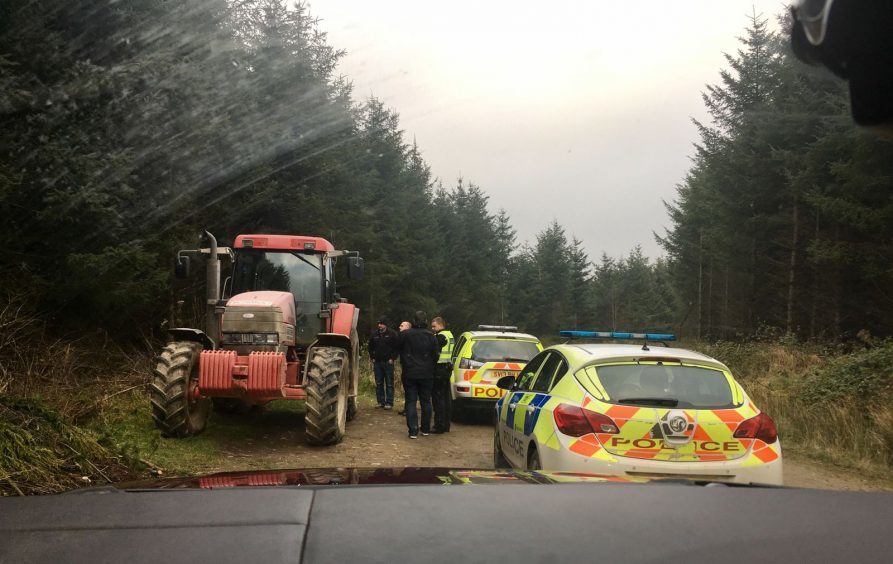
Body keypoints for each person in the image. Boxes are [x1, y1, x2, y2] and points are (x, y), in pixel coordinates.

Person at [395, 311, 439, 439]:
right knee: (426, 401)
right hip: (427, 373)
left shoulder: (405, 335)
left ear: (413, 321)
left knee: (411, 401)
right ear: (426, 321)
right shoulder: (431, 336)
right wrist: (429, 365)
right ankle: (425, 429)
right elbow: (436, 355)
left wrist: (405, 361)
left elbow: (398, 350)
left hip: (410, 372)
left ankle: (413, 430)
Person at [430, 316, 455, 433]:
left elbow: (434, 353)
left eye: (434, 326)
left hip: (439, 369)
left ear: (440, 325)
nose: (432, 328)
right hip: (447, 369)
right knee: (446, 398)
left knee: (438, 398)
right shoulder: (450, 335)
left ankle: (439, 425)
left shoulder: (440, 337)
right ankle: (446, 425)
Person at [368, 317, 399, 409]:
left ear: (385, 324)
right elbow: (370, 347)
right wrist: (372, 357)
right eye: (378, 323)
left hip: (388, 362)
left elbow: (396, 348)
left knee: (389, 383)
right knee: (379, 383)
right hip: (377, 362)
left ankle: (389, 402)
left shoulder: (392, 334)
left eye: (381, 323)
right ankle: (380, 402)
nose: (379, 325)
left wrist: (393, 358)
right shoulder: (374, 334)